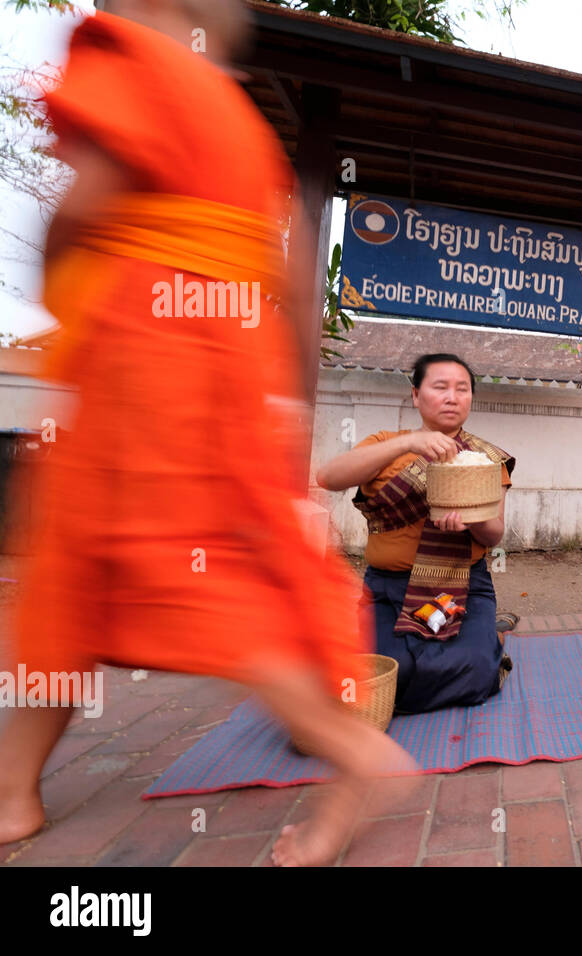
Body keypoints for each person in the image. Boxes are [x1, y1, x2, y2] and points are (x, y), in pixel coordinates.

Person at [0, 0, 413, 866]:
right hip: (226, 368)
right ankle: (14, 787)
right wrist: (281, 409)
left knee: (180, 570)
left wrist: (59, 286)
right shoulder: (246, 132)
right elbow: (294, 282)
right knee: (77, 577)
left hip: (148, 367)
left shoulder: (142, 67)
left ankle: (352, 750)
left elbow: (84, 209)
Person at [317, 354, 514, 713]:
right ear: (415, 395)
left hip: (461, 588)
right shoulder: (385, 443)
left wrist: (471, 520)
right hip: (389, 588)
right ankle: (478, 643)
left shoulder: (486, 458)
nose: (452, 397)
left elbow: (494, 535)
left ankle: (487, 641)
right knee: (379, 676)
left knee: (476, 673)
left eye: (462, 389)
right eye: (440, 387)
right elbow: (329, 478)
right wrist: (407, 445)